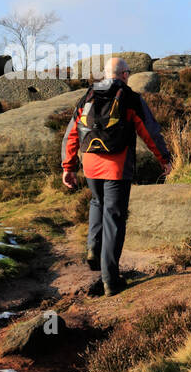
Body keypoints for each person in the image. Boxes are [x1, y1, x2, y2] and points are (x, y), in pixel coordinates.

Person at [60, 57, 172, 295]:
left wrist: (68, 167)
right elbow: (149, 131)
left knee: (96, 202)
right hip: (116, 167)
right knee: (114, 218)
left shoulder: (88, 96)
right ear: (124, 74)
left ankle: (93, 249)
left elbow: (71, 134)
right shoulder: (130, 98)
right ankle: (110, 280)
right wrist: (165, 160)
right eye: (128, 73)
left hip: (89, 165)